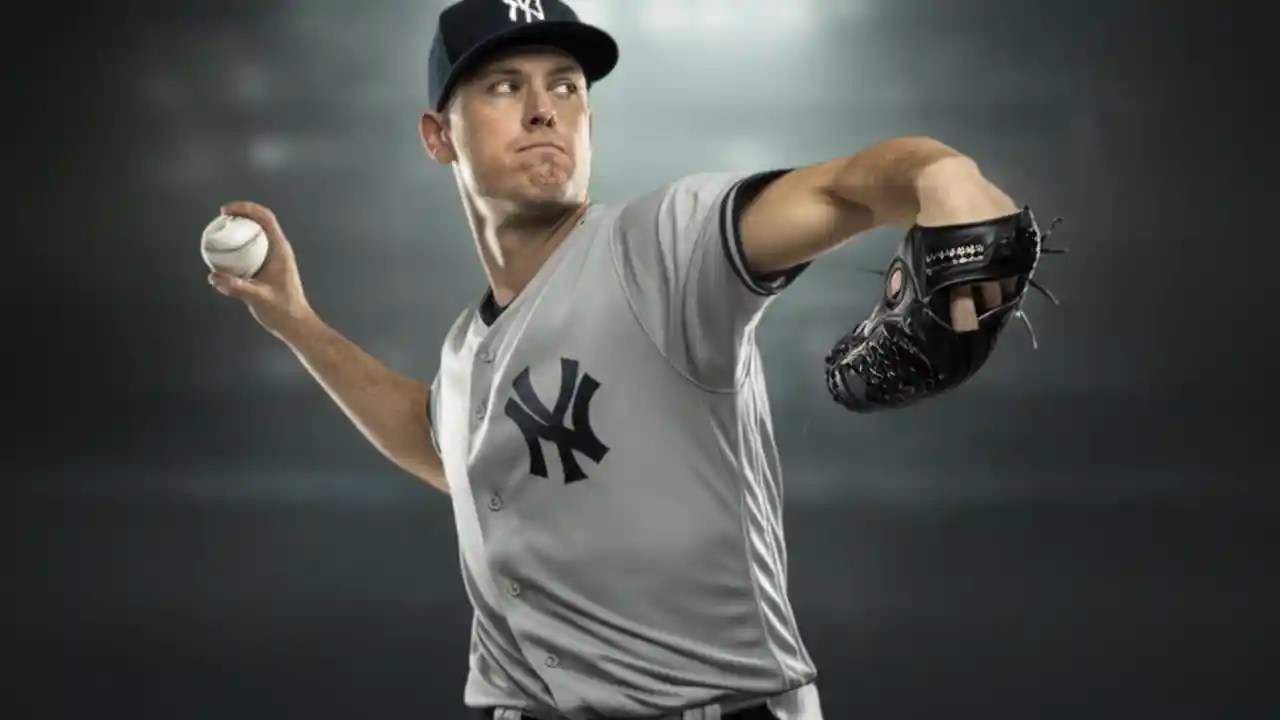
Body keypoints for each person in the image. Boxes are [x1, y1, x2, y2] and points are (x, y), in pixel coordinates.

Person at [208, 1, 1025, 718]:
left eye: (566, 86)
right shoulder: (467, 346)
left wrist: (939, 173)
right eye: (504, 86)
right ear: (437, 136)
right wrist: (295, 321)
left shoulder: (664, 246)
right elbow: (443, 446)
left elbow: (844, 189)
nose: (544, 110)